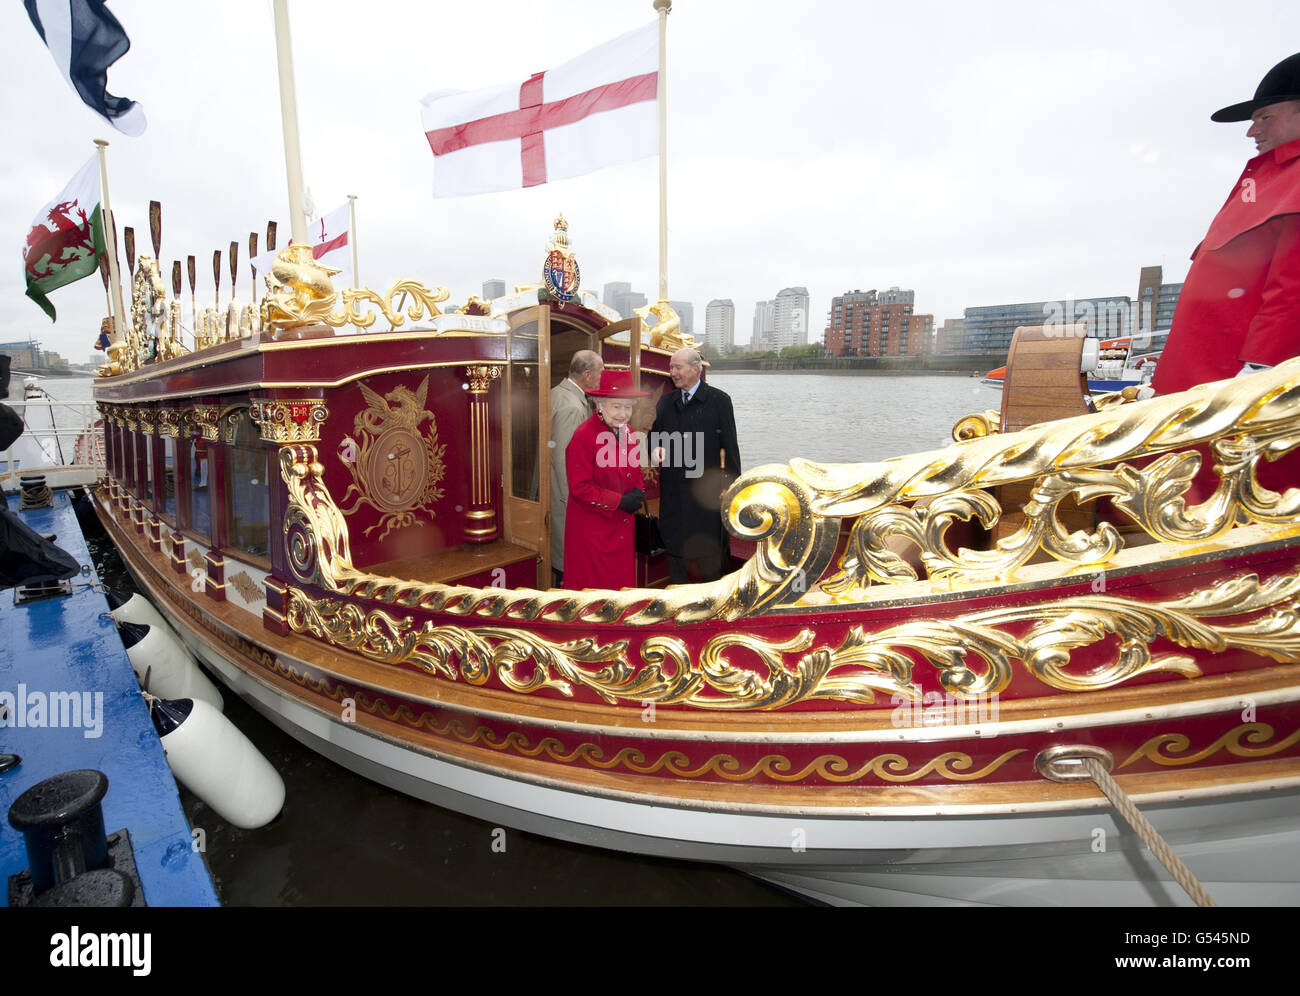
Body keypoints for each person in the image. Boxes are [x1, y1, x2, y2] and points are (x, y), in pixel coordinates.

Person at [1151, 53, 1300, 500]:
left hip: (1235, 390)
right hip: (1199, 382)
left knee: (1228, 500)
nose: (1253, 131)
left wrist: (1261, 370)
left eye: (1265, 117)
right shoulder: (1269, 177)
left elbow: (1292, 287)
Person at [650, 347, 741, 584]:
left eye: (677, 367)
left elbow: (730, 449)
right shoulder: (666, 401)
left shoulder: (720, 401)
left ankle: (714, 606)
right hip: (673, 494)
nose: (672, 372)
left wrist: (729, 484)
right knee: (675, 554)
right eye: (671, 367)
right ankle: (676, 604)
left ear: (695, 369)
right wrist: (654, 448)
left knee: (710, 558)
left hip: (706, 495)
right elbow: (654, 436)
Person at [562, 370, 656, 591]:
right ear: (600, 405)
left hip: (622, 528)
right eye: (616, 406)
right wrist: (619, 501)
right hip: (593, 532)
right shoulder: (584, 436)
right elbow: (580, 487)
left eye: (628, 407)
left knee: (620, 593)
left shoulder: (627, 432)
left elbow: (636, 471)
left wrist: (637, 490)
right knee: (595, 595)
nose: (623, 414)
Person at [549, 349, 603, 585]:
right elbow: (565, 460)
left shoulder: (555, 394)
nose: (602, 378)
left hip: (553, 493)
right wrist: (578, 502)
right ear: (588, 374)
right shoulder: (573, 407)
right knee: (568, 567)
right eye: (600, 373)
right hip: (567, 500)